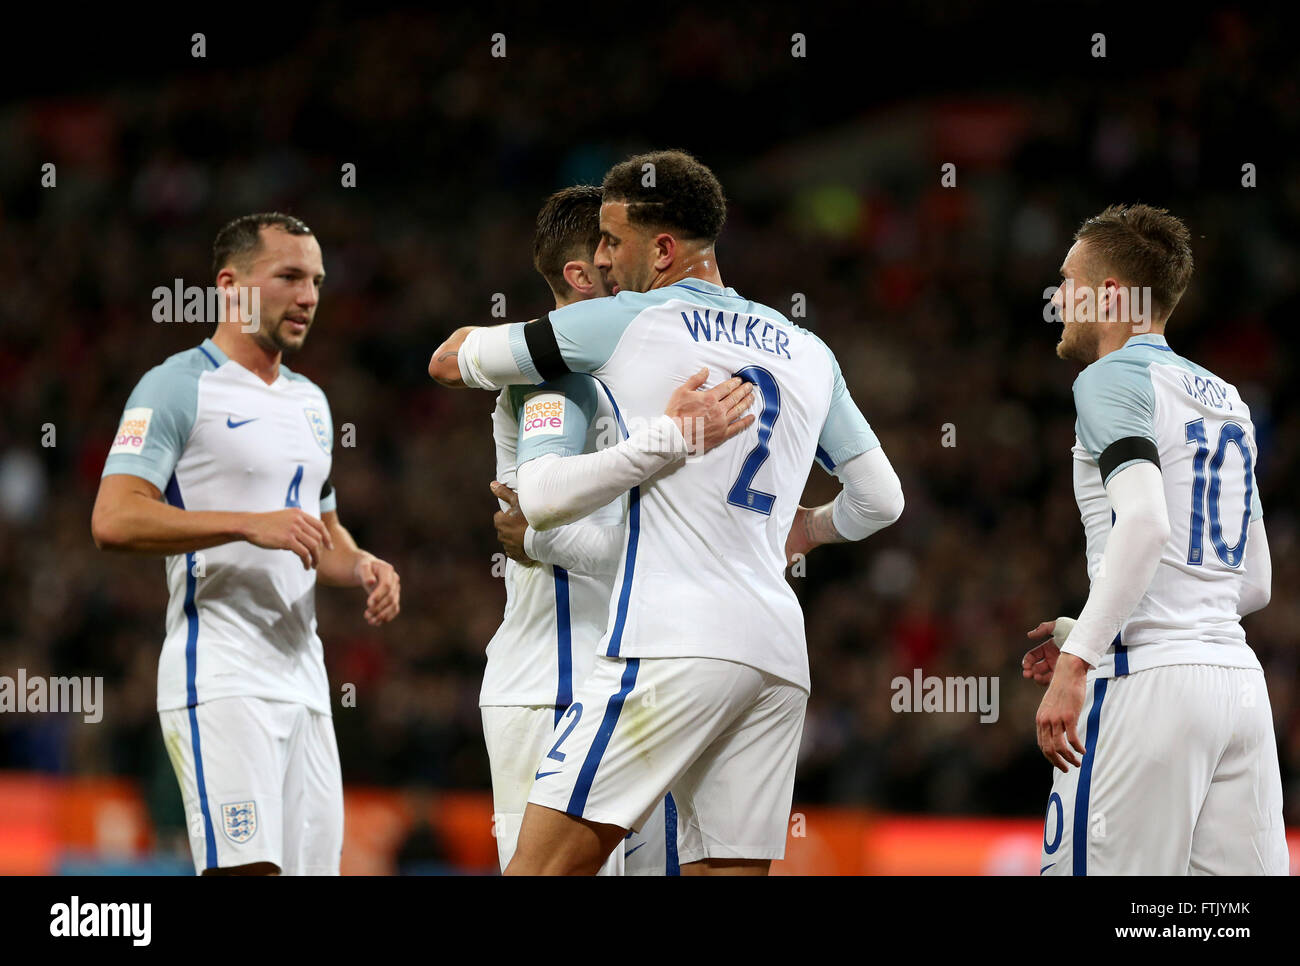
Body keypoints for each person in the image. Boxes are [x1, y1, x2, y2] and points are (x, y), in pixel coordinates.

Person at [430, 150, 904, 875]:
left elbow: (535, 486)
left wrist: (668, 437)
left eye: (613, 241)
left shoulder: (621, 323)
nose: (605, 259)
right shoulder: (808, 348)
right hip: (777, 655)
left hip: (670, 641)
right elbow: (880, 499)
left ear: (660, 248)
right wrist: (804, 530)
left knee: (539, 869)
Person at [92, 212, 401, 875]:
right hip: (222, 676)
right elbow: (114, 519)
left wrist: (364, 564)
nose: (309, 296)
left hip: (305, 683)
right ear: (230, 286)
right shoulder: (176, 385)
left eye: (316, 280)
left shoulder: (312, 403)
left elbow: (323, 536)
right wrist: (244, 522)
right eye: (289, 276)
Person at [482, 185, 741, 875]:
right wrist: (537, 538)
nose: (625, 266)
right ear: (580, 273)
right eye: (607, 248)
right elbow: (545, 519)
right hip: (557, 680)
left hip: (643, 678)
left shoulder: (649, 369)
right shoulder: (553, 372)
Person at [1024, 203, 1287, 875]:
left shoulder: (1108, 378)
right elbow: (1253, 582)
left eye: (1069, 281)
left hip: (1144, 688)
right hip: (1238, 690)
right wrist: (1090, 628)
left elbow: (1143, 523)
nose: (1058, 299)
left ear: (1112, 294)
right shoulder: (1226, 398)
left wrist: (1083, 658)